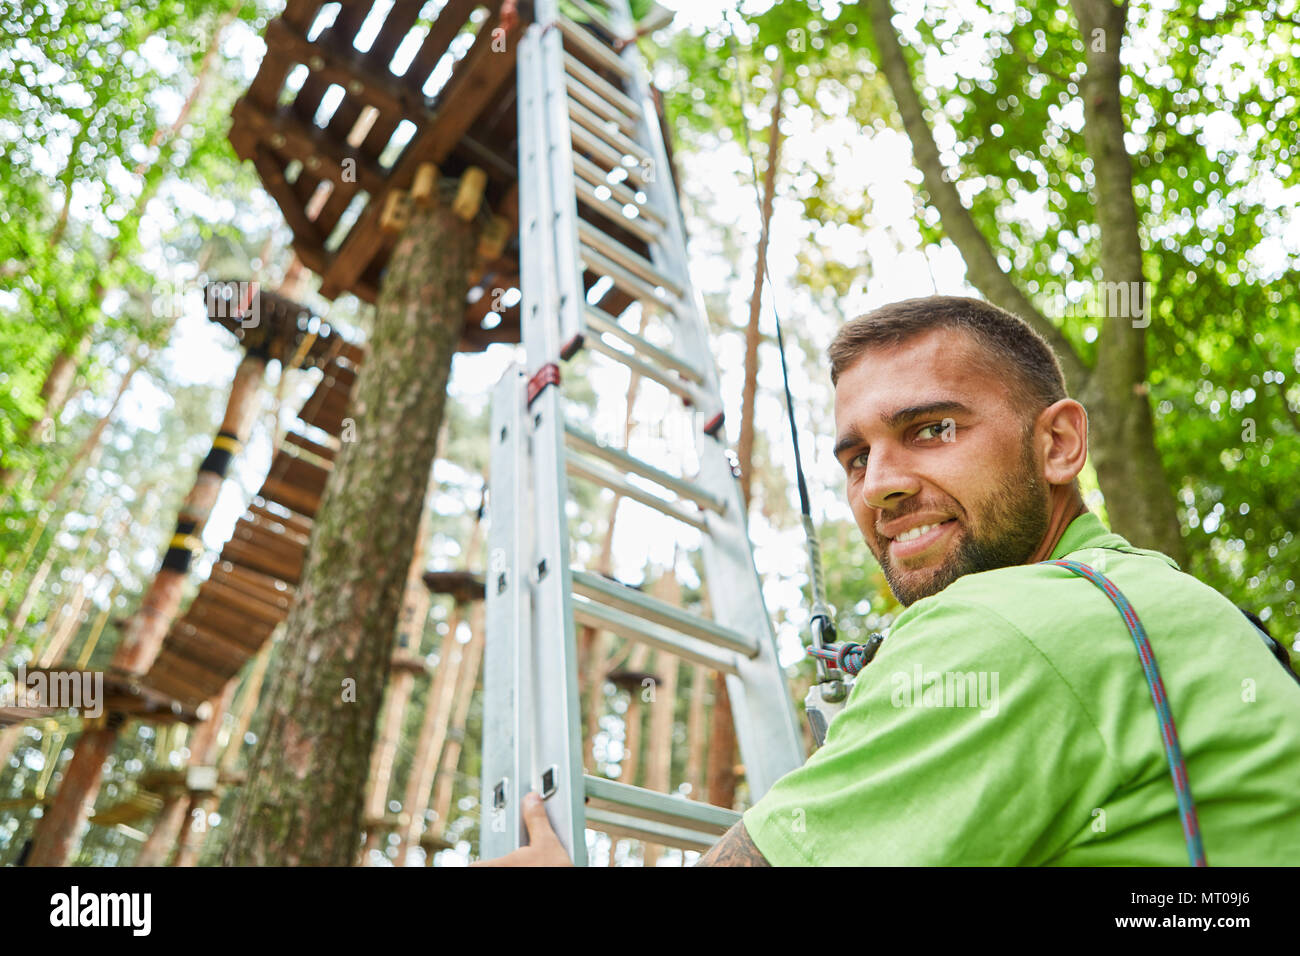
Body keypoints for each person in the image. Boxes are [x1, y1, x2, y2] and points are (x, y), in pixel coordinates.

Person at [475, 295, 1300, 867]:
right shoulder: (1157, 601)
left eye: (932, 429)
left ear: (1057, 445)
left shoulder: (1016, 625)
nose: (879, 486)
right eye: (856, 457)